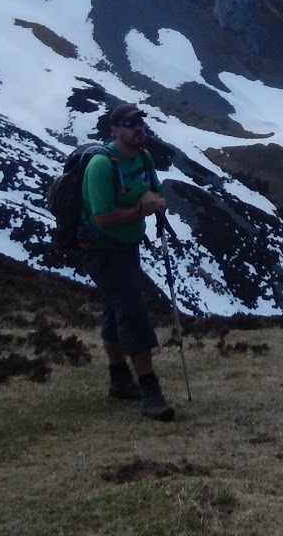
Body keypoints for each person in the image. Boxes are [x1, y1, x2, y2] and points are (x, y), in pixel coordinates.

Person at [80, 103, 176, 419]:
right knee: (132, 309)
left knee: (116, 309)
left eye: (140, 123)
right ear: (114, 130)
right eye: (130, 123)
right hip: (100, 249)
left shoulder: (144, 157)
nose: (139, 128)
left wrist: (151, 201)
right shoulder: (101, 165)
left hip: (127, 247)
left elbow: (156, 192)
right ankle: (150, 391)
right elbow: (103, 217)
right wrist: (141, 209)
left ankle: (120, 380)